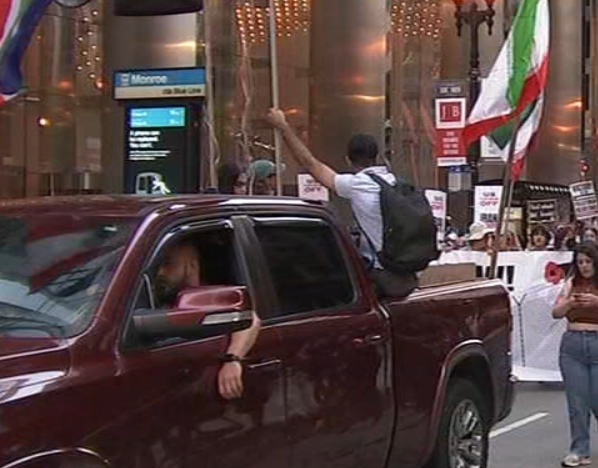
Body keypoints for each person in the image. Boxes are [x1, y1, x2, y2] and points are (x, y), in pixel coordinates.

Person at [266, 108, 407, 295]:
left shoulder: (359, 184)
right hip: (407, 271)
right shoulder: (395, 182)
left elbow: (310, 164)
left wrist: (283, 127)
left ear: (348, 160)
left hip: (383, 276)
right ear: (377, 157)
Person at [152, 238, 262, 401]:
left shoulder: (215, 298)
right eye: (158, 265)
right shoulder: (155, 296)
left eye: (168, 264)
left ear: (192, 267)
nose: (160, 272)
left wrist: (232, 359)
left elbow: (251, 319)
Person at [551, 241, 598, 467]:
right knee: (577, 401)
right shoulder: (571, 284)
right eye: (580, 262)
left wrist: (597, 301)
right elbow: (555, 312)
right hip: (574, 344)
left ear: (597, 262)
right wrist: (569, 302)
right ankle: (579, 448)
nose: (584, 267)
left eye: (588, 262)